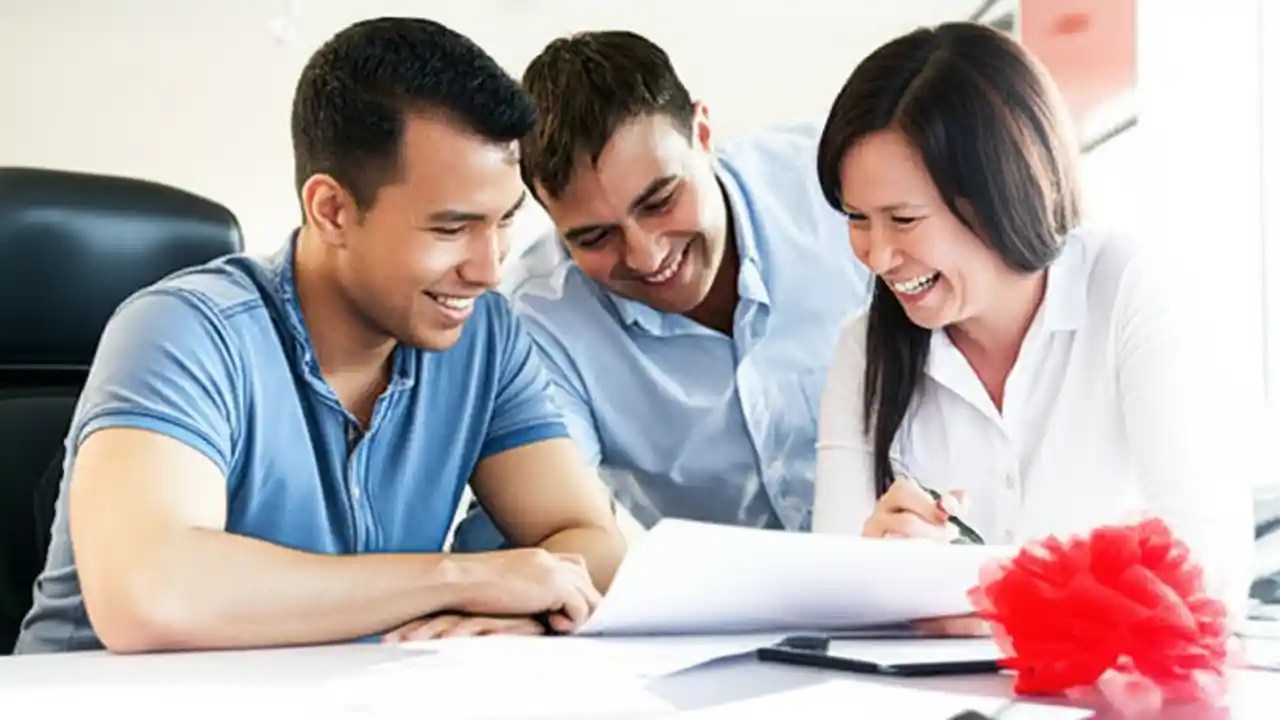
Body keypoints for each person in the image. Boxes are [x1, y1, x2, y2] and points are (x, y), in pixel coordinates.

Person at [15, 17, 625, 654]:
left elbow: (589, 537)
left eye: (503, 221)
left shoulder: (482, 338)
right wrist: (463, 577)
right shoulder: (182, 330)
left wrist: (524, 614)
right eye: (451, 230)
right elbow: (151, 598)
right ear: (331, 210)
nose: (488, 268)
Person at [810, 22, 1252, 615]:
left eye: (904, 219)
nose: (877, 255)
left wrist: (978, 598)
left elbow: (1207, 571)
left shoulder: (1129, 289)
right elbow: (826, 591)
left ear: (999, 194)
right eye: (857, 218)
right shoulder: (864, 348)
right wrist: (875, 564)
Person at [452, 31, 873, 551]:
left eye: (660, 201)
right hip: (723, 618)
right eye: (594, 237)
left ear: (701, 132)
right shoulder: (537, 320)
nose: (646, 256)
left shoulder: (841, 189)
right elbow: (529, 531)